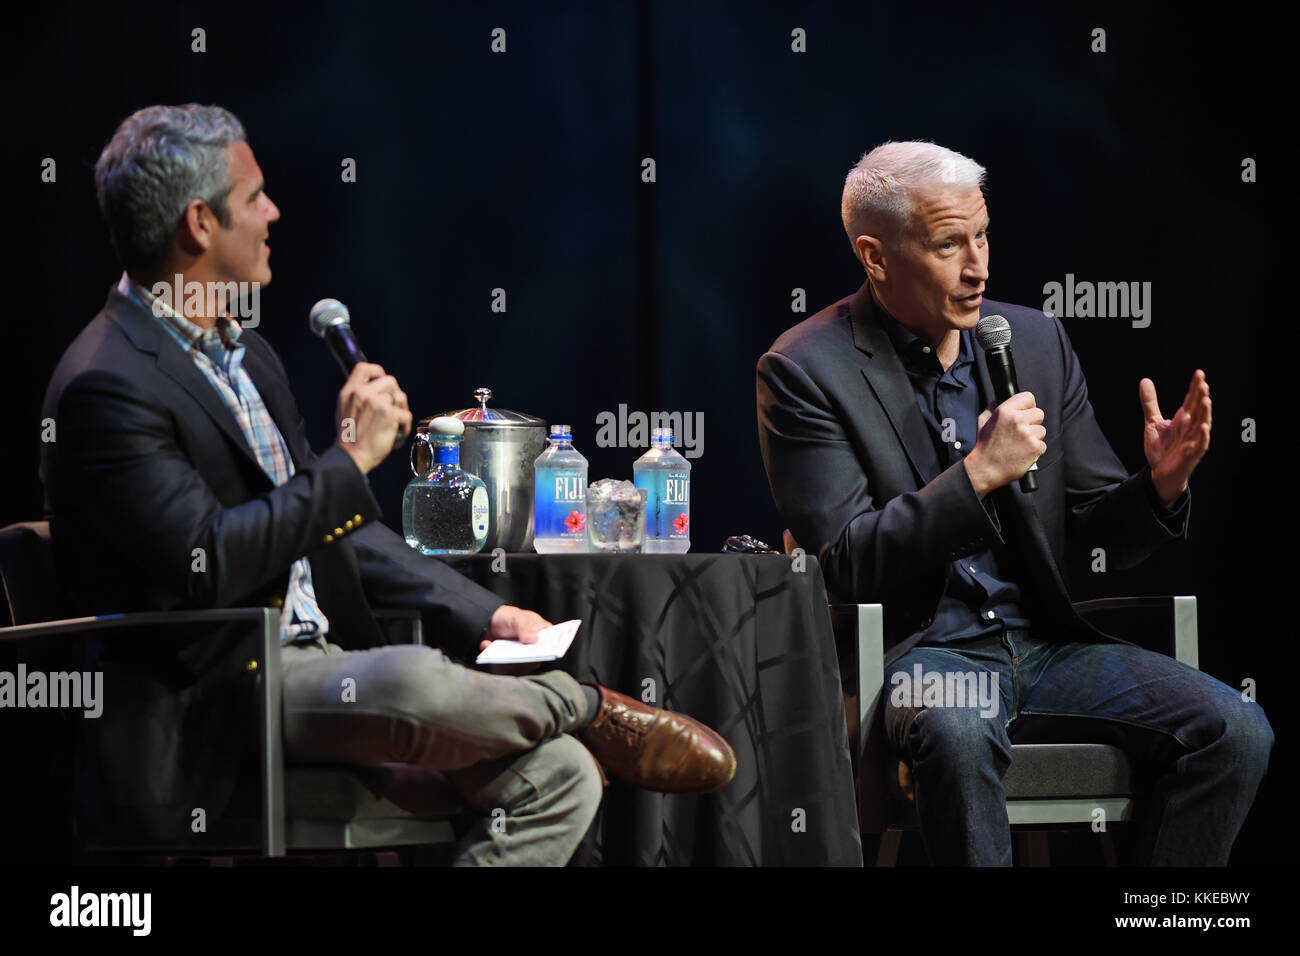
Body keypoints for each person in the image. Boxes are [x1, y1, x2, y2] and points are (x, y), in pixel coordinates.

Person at [41, 103, 734, 867]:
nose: (274, 212)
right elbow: (210, 562)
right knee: (411, 679)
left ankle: (574, 724)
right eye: (254, 198)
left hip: (317, 659)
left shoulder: (248, 358)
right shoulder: (108, 385)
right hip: (214, 691)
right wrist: (348, 461)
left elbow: (329, 529)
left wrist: (486, 609)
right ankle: (591, 707)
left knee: (561, 775)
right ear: (199, 224)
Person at [755, 140, 1272, 865]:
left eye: (983, 235)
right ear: (875, 257)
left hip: (1045, 644)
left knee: (1236, 728)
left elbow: (1102, 530)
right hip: (919, 654)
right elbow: (843, 562)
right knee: (961, 732)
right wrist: (976, 476)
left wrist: (1159, 487)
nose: (979, 266)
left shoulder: (1032, 339)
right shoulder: (805, 370)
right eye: (947, 245)